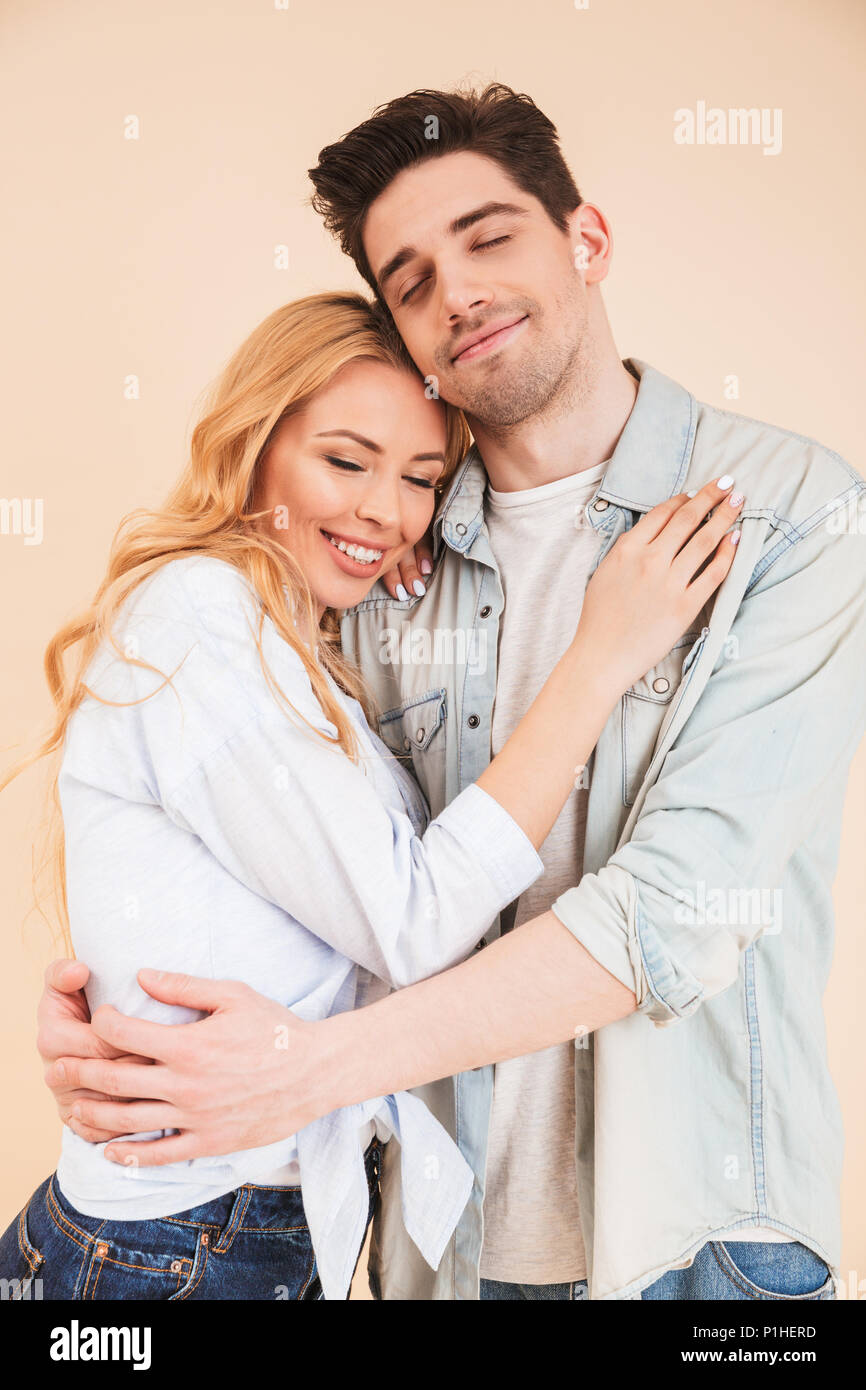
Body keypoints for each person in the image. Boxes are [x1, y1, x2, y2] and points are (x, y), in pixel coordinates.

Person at [34, 84, 865, 1302]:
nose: (456, 293)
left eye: (488, 238)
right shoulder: (374, 565)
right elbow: (328, 886)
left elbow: (682, 903)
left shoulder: (788, 512)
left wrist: (299, 1071)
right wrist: (120, 1031)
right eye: (411, 281)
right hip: (439, 1245)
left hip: (699, 1245)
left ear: (584, 240)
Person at [0, 289, 735, 1301]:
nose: (384, 511)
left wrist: (353, 588)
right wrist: (598, 658)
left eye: (420, 480)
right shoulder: (197, 620)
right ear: (255, 442)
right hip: (182, 1245)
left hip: (214, 1230)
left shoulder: (275, 631)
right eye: (345, 462)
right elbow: (411, 919)